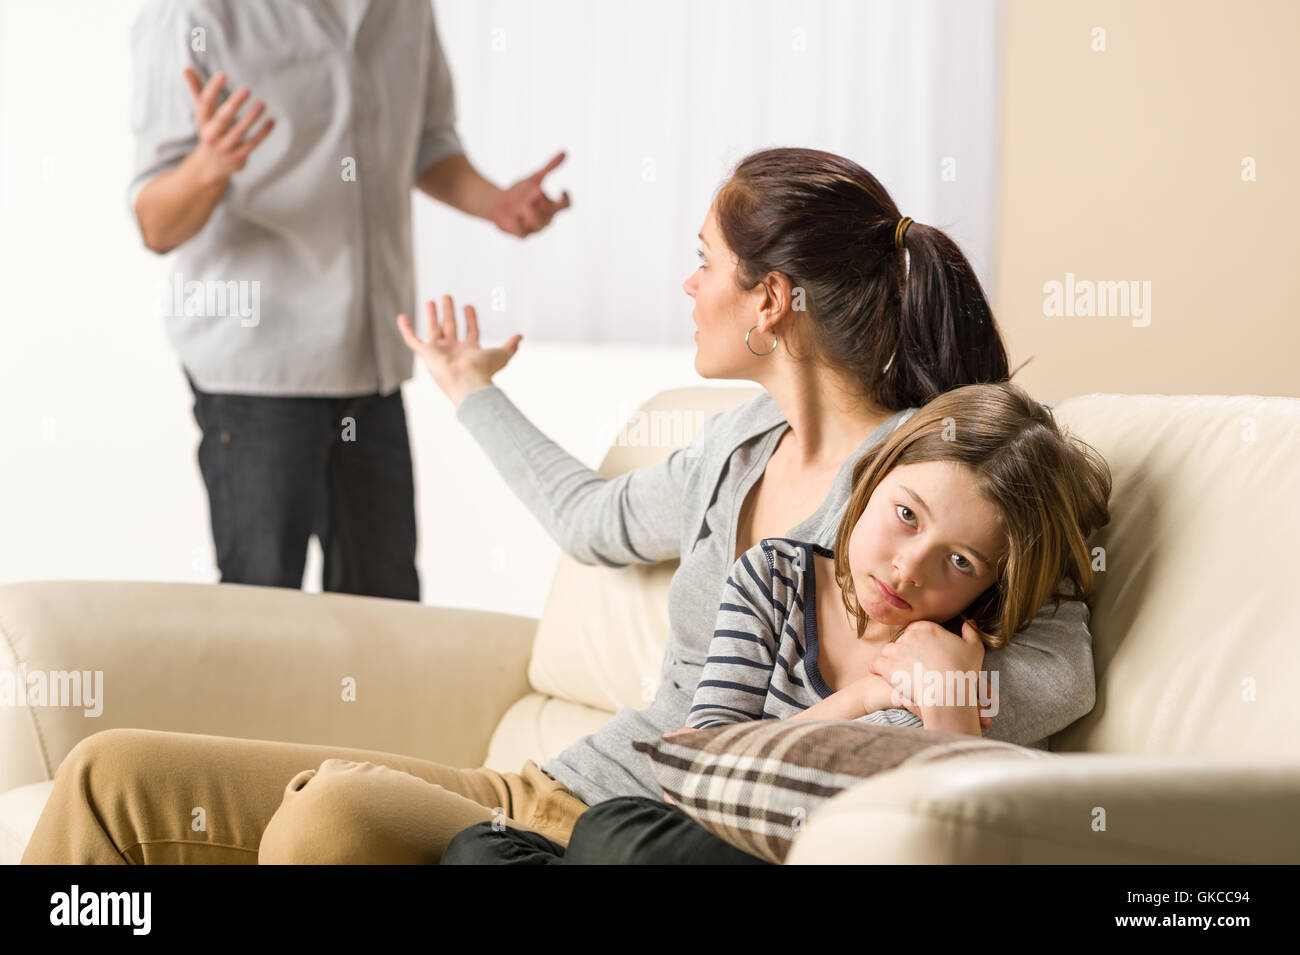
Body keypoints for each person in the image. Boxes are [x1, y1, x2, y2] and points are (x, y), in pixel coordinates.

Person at [21, 148, 1095, 865]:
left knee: (332, 818)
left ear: (770, 302)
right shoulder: (732, 448)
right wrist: (469, 388)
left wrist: (939, 686)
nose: (687, 287)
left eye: (702, 264)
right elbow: (588, 517)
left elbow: (1055, 659)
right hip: (539, 785)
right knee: (112, 773)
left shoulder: (931, 493)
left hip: (629, 835)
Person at [442, 381, 1111, 864]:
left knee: (617, 838)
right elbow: (692, 770)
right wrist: (861, 698)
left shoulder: (973, 662)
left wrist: (949, 710)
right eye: (905, 515)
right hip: (704, 835)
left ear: (997, 582)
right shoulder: (775, 576)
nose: (909, 570)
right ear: (872, 477)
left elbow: (957, 829)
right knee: (483, 847)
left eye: (958, 561)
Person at [129, 0, 569, 600]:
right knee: (261, 614)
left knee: (384, 612)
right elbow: (156, 223)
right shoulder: (193, 15)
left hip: (370, 365)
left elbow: (428, 144)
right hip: (256, 376)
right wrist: (208, 165)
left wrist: (497, 204)